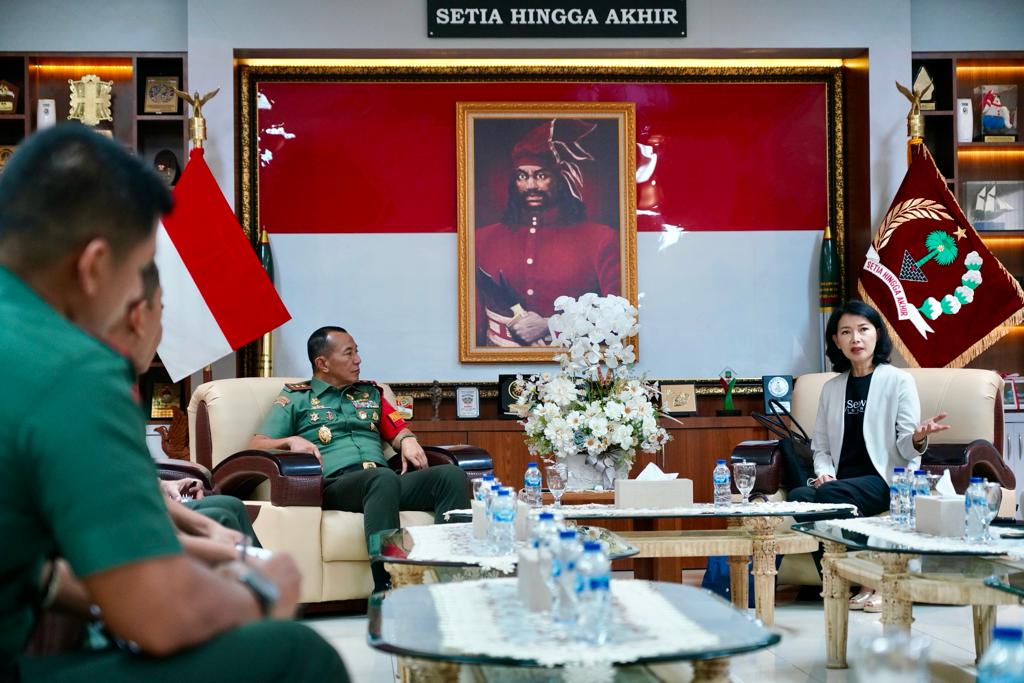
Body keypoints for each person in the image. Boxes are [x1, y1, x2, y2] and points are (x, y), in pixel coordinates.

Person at [0, 124, 347, 681]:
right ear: (93, 268)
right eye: (137, 274)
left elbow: (29, 570)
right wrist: (262, 593)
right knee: (298, 654)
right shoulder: (68, 369)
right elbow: (159, 614)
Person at [248, 326, 470, 592]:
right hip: (336, 486)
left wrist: (407, 439)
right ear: (323, 363)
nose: (358, 360)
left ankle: (456, 581)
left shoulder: (370, 394)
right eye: (349, 353)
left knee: (451, 476)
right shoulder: (297, 398)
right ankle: (391, 587)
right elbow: (256, 443)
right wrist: (288, 441)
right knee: (382, 478)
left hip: (383, 482)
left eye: (357, 352)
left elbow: (396, 428)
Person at [787, 300, 949, 611]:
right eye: (845, 332)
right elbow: (820, 446)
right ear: (836, 341)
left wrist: (918, 437)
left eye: (863, 330)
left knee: (831, 494)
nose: (855, 339)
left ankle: (870, 579)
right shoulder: (832, 388)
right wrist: (824, 471)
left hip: (886, 481)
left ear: (877, 334)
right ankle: (840, 580)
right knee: (799, 494)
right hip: (842, 483)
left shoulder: (898, 381)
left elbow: (904, 450)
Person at [105, 261, 261, 562]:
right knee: (221, 518)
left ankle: (257, 595)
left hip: (134, 506)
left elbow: (122, 469)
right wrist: (209, 533)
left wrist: (166, 484)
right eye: (161, 313)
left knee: (228, 507)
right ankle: (257, 594)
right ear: (138, 318)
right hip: (107, 526)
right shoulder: (93, 386)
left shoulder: (115, 381)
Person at [475, 119, 621, 347]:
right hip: (498, 366)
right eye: (522, 176)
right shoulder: (482, 239)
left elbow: (618, 316)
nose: (531, 185)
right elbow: (473, 326)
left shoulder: (600, 238)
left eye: (541, 175)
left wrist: (552, 324)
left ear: (561, 180)